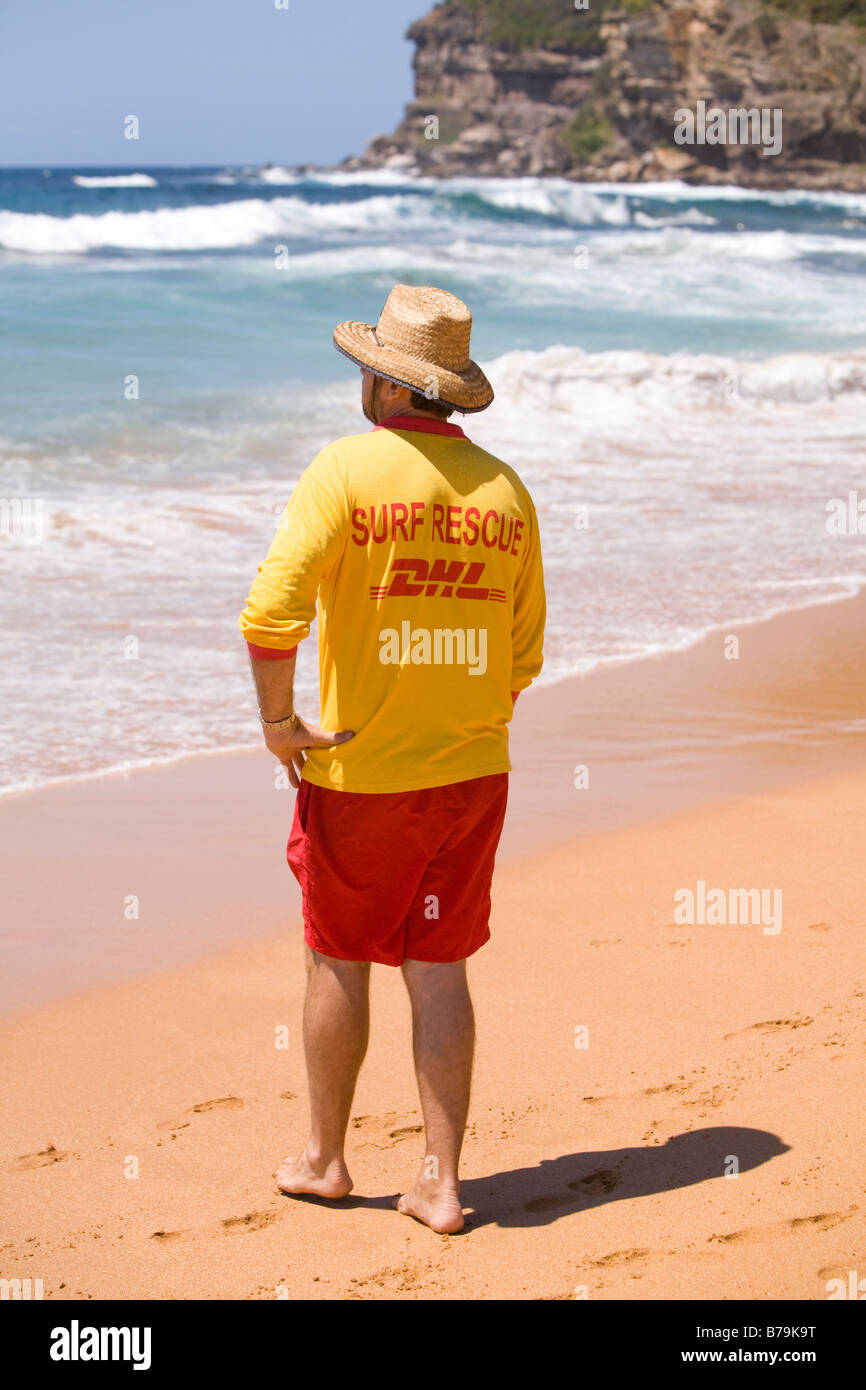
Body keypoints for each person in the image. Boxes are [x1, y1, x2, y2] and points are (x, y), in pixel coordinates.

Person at [239, 284, 546, 1233]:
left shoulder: (346, 470)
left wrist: (280, 724)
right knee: (441, 965)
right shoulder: (505, 491)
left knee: (337, 956)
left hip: (364, 777)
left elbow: (269, 613)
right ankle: (441, 1183)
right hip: (472, 775)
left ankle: (328, 1160)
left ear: (383, 381)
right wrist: (453, 712)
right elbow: (522, 654)